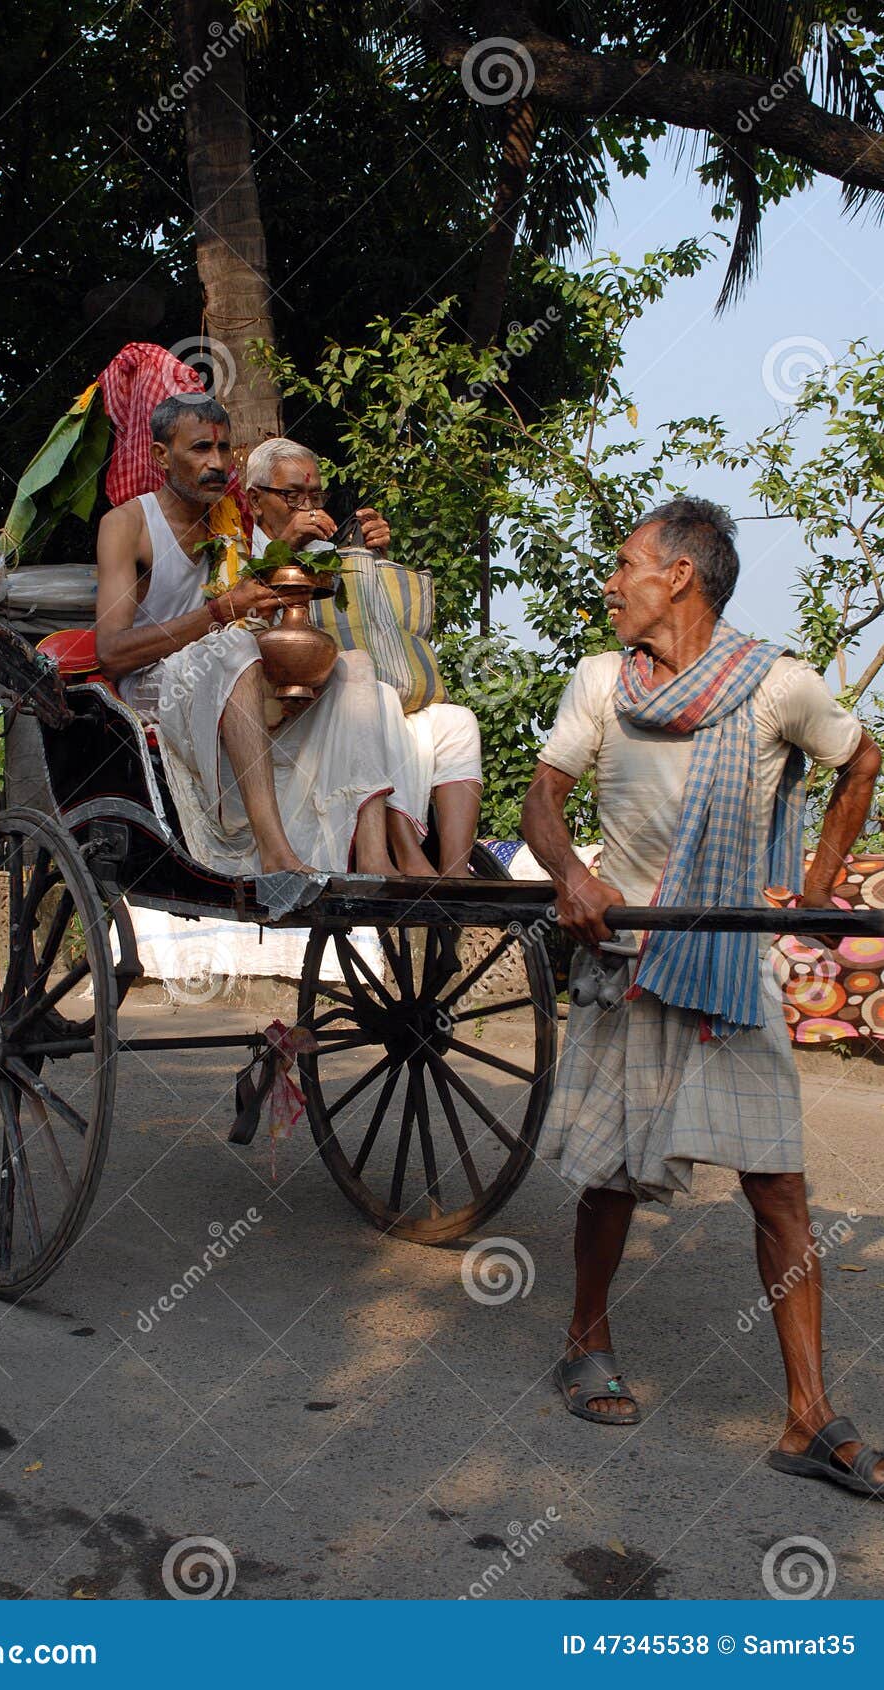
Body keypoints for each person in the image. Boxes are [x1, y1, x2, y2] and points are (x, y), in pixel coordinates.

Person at [521, 496, 884, 1499]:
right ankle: (584, 1342)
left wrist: (815, 890)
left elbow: (860, 759)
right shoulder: (602, 681)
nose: (611, 580)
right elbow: (542, 797)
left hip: (726, 972)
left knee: (778, 1184)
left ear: (678, 575)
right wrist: (572, 878)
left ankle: (808, 1416)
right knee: (610, 1174)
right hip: (628, 958)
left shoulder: (780, 685)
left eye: (626, 563)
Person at [94, 394, 404, 879]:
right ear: (160, 456)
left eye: (223, 450)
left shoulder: (234, 524)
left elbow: (275, 583)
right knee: (235, 645)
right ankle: (274, 853)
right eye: (200, 449)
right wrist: (220, 612)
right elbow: (111, 654)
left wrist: (360, 547)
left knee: (356, 667)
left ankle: (372, 856)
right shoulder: (128, 525)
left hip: (235, 678)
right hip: (157, 690)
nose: (216, 464)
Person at [244, 437, 483, 876]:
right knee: (377, 692)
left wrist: (375, 560)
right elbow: (247, 636)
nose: (307, 507)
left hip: (364, 704)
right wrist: (285, 548)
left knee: (457, 722)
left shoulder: (331, 556)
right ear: (257, 500)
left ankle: (455, 871)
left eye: (316, 496)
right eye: (293, 495)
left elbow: (374, 623)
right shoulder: (238, 554)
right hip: (293, 711)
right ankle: (404, 850)